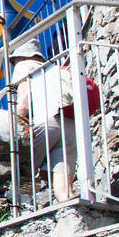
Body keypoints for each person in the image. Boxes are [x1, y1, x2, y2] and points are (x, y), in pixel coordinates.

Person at [12, 40, 76, 203]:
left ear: (20, 57)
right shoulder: (55, 69)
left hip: (45, 120)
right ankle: (75, 212)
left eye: (13, 61)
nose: (13, 64)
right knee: (64, 188)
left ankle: (12, 209)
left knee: (18, 164)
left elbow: (25, 94)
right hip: (69, 123)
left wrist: (18, 121)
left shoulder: (24, 65)